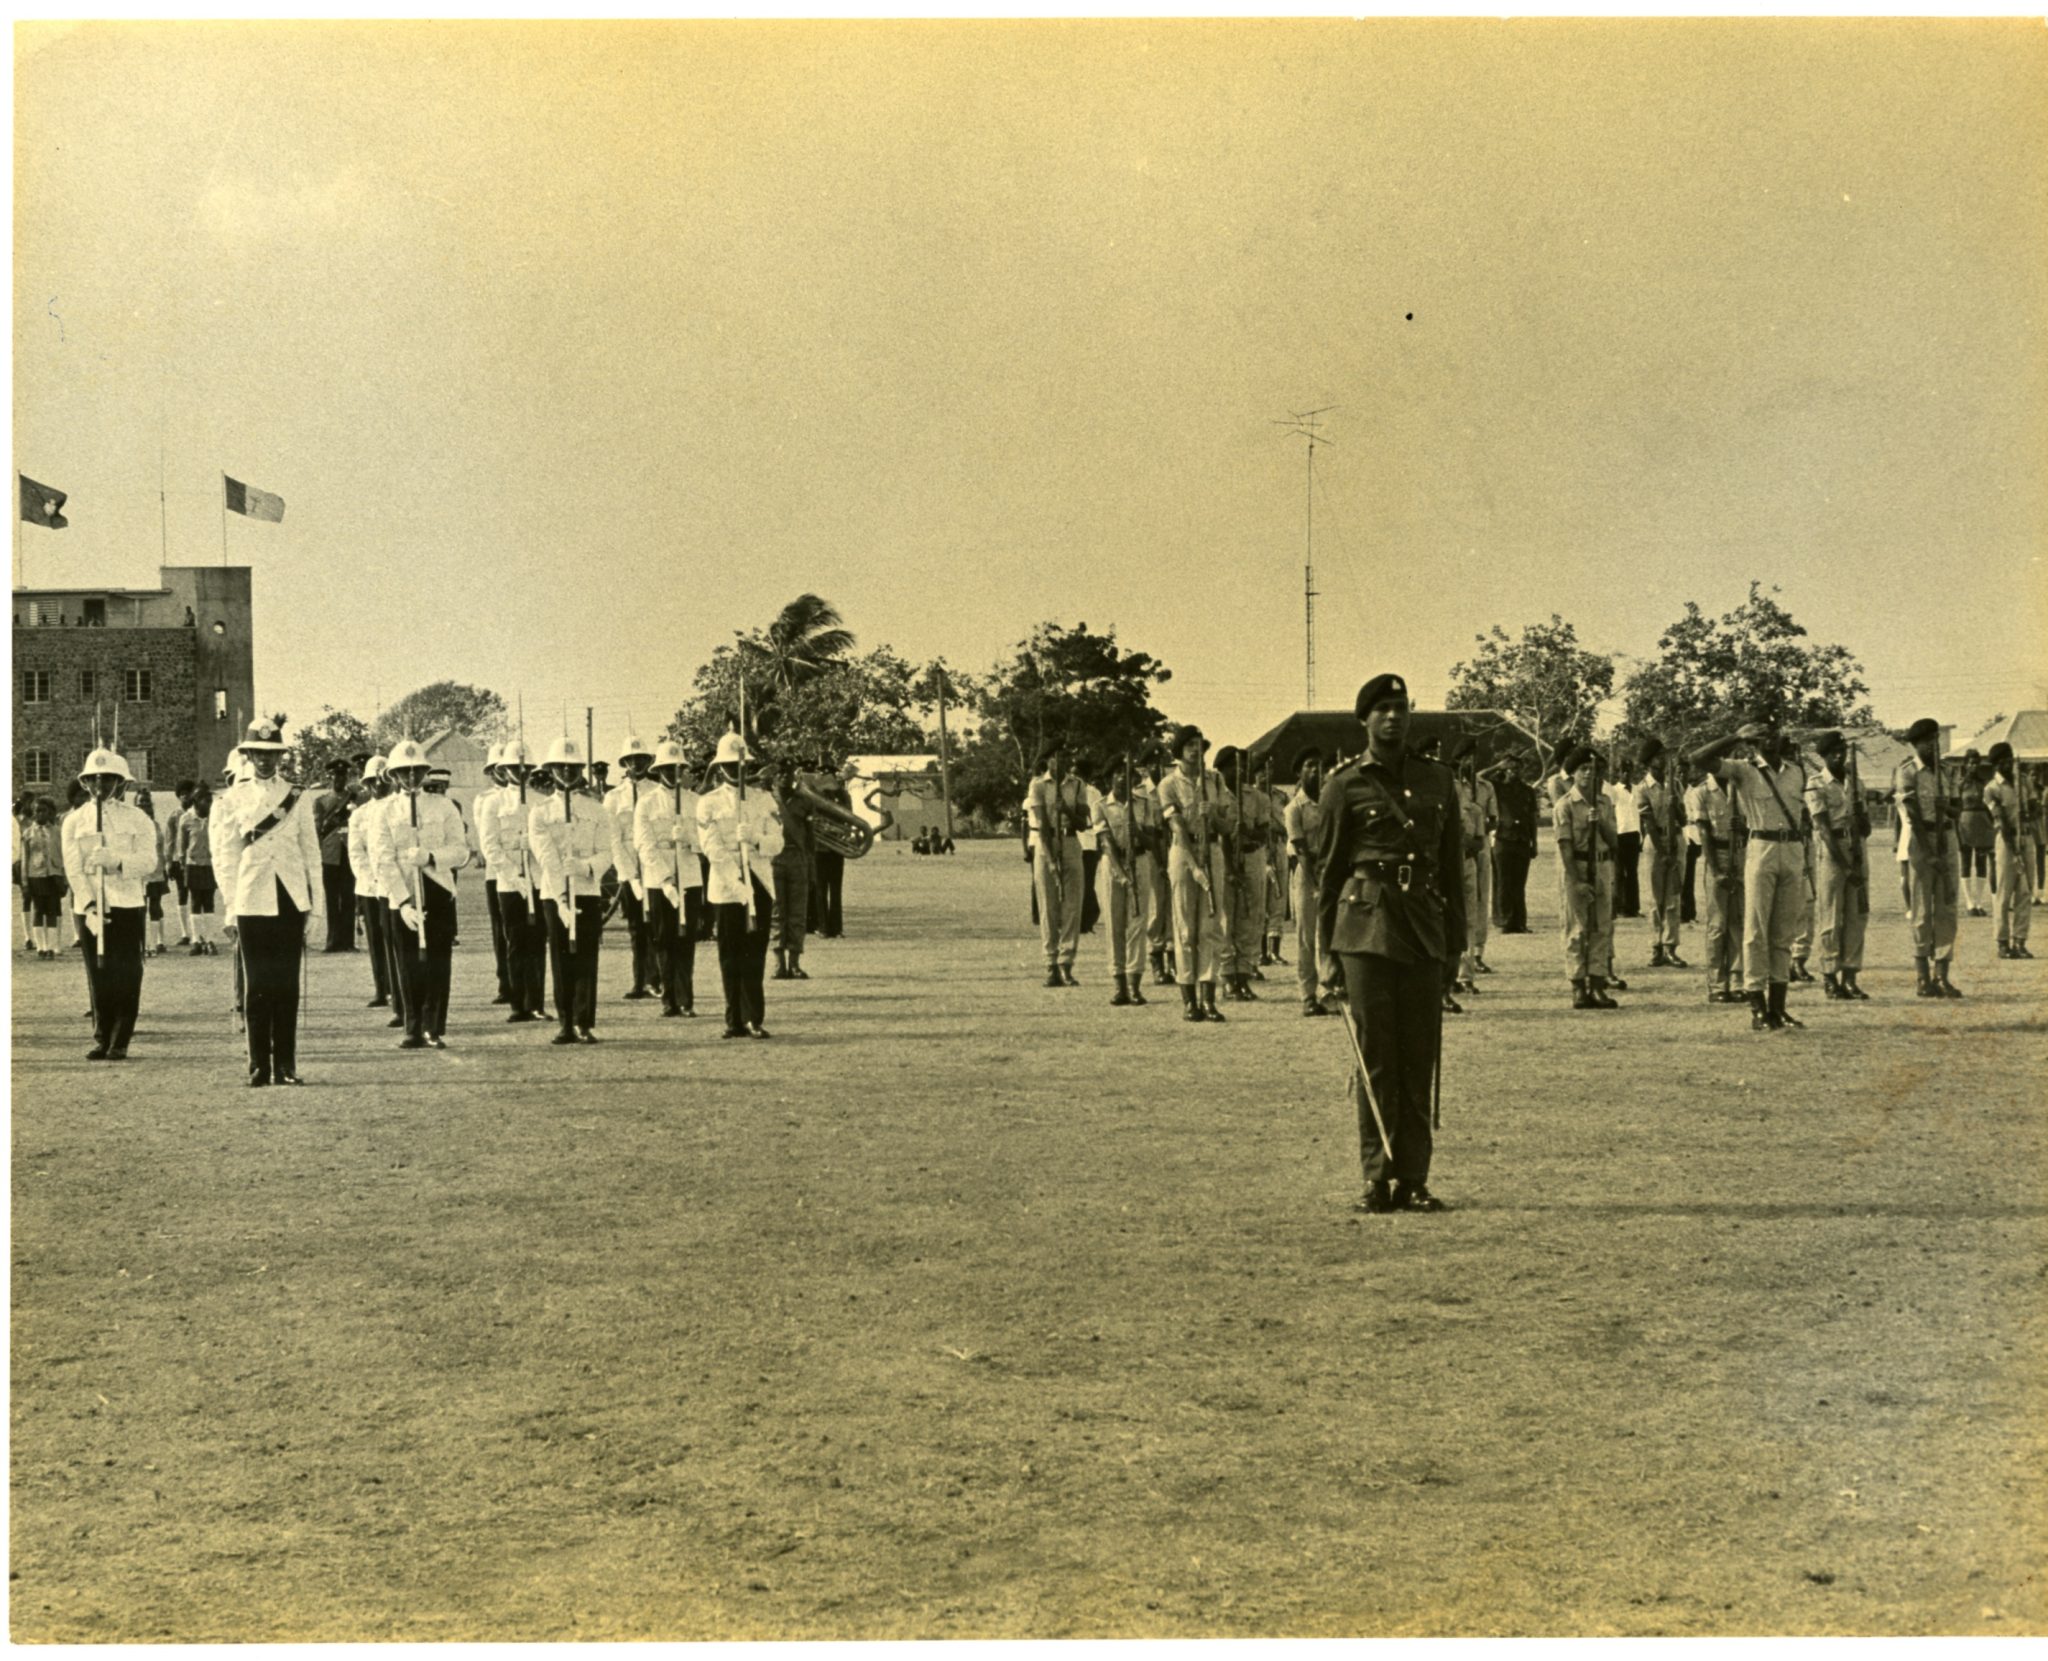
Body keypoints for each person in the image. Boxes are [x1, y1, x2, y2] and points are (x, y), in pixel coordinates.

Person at [1317, 674, 1464, 1213]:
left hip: (1424, 925)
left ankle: (1415, 1178)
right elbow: (1328, 876)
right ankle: (1377, 1178)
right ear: (1364, 719)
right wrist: (1325, 951)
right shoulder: (1343, 785)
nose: (1393, 717)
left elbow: (1451, 869)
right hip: (1364, 931)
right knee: (1377, 1056)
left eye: (1400, 707)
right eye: (1381, 708)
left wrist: (1455, 945)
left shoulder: (1438, 781)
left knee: (1418, 1058)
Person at [215, 718, 325, 1084]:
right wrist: (231, 907)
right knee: (257, 985)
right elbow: (225, 858)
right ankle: (260, 1065)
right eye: (258, 753)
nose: (265, 760)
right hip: (251, 899)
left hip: (290, 898)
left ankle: (286, 1066)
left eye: (272, 754)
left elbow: (311, 854)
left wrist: (315, 905)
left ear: (280, 757)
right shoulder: (231, 799)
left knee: (287, 986)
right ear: (247, 754)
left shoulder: (298, 796)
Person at [1690, 719, 1813, 1030]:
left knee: (1784, 932)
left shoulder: (1796, 772)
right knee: (1755, 930)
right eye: (1761, 735)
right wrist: (1734, 736)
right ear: (1753, 741)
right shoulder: (1743, 770)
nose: (1769, 740)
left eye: (1773, 733)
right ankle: (1757, 1006)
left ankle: (1779, 1007)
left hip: (1792, 849)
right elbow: (1698, 759)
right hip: (1760, 847)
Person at [373, 738, 469, 1049]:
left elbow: (461, 851)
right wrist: (401, 902)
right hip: (402, 893)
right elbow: (381, 858)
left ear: (425, 772)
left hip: (437, 888)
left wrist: (429, 857)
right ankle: (412, 1026)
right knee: (407, 961)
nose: (411, 777)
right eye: (404, 772)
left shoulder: (443, 806)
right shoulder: (385, 811)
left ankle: (433, 1027)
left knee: (438, 961)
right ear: (393, 775)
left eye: (417, 771)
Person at [64, 749, 155, 1061]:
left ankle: (121, 1039)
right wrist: (89, 905)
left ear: (121, 784)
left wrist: (116, 861)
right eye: (94, 780)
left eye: (109, 780)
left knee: (127, 972)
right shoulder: (74, 821)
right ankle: (102, 1036)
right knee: (98, 972)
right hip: (90, 906)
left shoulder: (138, 818)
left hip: (127, 902)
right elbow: (73, 868)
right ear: (86, 783)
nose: (101, 786)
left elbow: (149, 861)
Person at [698, 729, 782, 1039]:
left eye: (741, 766)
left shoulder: (763, 799)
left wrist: (756, 839)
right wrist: (735, 880)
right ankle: (733, 1018)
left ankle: (753, 1018)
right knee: (729, 953)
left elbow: (779, 842)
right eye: (730, 766)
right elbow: (711, 847)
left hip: (758, 881)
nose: (736, 771)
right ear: (720, 768)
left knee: (754, 954)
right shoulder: (708, 802)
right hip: (725, 884)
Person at [530, 736, 609, 1045]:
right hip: (554, 892)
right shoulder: (540, 811)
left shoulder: (596, 809)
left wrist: (587, 867)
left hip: (587, 889)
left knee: (586, 956)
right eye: (560, 766)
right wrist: (562, 892)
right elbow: (545, 854)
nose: (566, 771)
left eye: (572, 766)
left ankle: (583, 1022)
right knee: (561, 956)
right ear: (550, 769)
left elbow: (607, 851)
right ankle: (565, 1022)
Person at [1158, 725, 1235, 1022]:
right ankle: (1189, 1000)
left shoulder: (1214, 781)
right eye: (1189, 744)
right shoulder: (1168, 784)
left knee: (1210, 927)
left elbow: (1228, 825)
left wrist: (1212, 813)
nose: (1195, 750)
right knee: (1185, 928)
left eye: (1199, 744)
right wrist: (1194, 867)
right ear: (1179, 750)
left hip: (1212, 850)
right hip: (1184, 853)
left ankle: (1209, 999)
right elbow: (1176, 825)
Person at [478, 740, 548, 1022]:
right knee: (516, 942)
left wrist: (531, 844)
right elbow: (489, 845)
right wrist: (512, 874)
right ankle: (518, 1004)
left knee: (538, 942)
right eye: (513, 768)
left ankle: (537, 1003)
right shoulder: (493, 802)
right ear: (504, 770)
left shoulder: (541, 802)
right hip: (509, 882)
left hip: (540, 880)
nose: (519, 772)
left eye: (525, 768)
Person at [634, 738, 704, 1018]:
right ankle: (669, 999)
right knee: (663, 939)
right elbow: (643, 843)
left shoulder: (695, 801)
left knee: (685, 939)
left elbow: (705, 841)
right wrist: (664, 878)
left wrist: (688, 838)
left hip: (688, 874)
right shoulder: (647, 803)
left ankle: (686, 999)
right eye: (667, 768)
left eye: (677, 768)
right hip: (658, 877)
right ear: (658, 770)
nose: (672, 773)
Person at [1892, 717, 1961, 998]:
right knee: (1922, 910)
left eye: (1935, 741)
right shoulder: (1907, 772)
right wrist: (1930, 854)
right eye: (1927, 742)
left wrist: (1949, 808)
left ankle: (1942, 974)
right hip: (1922, 842)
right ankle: (1922, 977)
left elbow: (1959, 811)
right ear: (1915, 744)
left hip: (1948, 837)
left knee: (1947, 906)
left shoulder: (1946, 771)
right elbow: (1912, 816)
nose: (1933, 747)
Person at [1804, 730, 1871, 999]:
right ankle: (1830, 976)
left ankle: (1850, 976)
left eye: (1842, 752)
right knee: (1831, 915)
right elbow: (1822, 828)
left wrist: (1859, 815)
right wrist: (1845, 866)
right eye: (1833, 753)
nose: (1839, 756)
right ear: (1823, 756)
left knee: (1857, 916)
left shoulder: (1857, 783)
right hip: (1832, 852)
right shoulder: (1816, 784)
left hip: (1858, 848)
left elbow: (1866, 827)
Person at [1553, 745, 1619, 1009]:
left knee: (1602, 927)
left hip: (1602, 865)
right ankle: (1578, 986)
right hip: (1576, 867)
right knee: (1576, 929)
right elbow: (1565, 845)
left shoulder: (1604, 802)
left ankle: (1598, 983)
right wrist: (1576, 881)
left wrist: (1600, 821)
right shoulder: (1565, 805)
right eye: (1583, 769)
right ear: (1573, 774)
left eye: (1593, 769)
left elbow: (1614, 840)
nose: (1589, 774)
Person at [1027, 742, 1089, 987]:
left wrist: (1068, 812)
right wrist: (1050, 860)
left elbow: (1084, 822)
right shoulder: (1038, 785)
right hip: (1047, 843)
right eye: (1056, 757)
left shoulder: (1078, 785)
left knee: (1072, 907)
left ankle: (1066, 964)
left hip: (1071, 841)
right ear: (1049, 760)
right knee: (1049, 907)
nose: (1061, 761)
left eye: (1066, 756)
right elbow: (1041, 824)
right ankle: (1050, 963)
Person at [605, 736, 661, 1002]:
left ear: (649, 762)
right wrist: (627, 872)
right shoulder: (614, 797)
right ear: (624, 763)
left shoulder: (657, 792)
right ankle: (640, 980)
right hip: (629, 864)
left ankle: (657, 979)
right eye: (631, 760)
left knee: (657, 924)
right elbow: (613, 838)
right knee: (637, 926)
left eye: (641, 759)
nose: (636, 764)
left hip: (654, 863)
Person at [1215, 746, 1271, 1002]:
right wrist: (1228, 867)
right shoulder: (1217, 796)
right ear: (1222, 769)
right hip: (1225, 859)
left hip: (1252, 856)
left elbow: (1264, 832)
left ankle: (1244, 974)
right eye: (1234, 767)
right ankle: (1227, 976)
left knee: (1252, 916)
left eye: (1242, 767)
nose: (1239, 771)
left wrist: (1246, 830)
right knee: (1227, 917)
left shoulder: (1258, 798)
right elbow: (1217, 832)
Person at [1092, 761, 1151, 1006]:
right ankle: (1119, 986)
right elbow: (1105, 841)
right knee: (1115, 924)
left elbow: (1152, 839)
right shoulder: (1101, 806)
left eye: (1127, 775)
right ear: (1110, 779)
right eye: (1117, 774)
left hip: (1139, 861)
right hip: (1113, 865)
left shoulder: (1144, 804)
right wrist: (1121, 875)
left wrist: (1136, 830)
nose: (1122, 780)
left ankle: (1134, 984)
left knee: (1137, 924)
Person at [1633, 737, 1688, 969]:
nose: (1664, 761)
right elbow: (1647, 822)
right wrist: (1663, 850)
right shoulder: (1642, 788)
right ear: (1649, 761)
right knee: (1656, 898)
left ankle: (1670, 946)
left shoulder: (1674, 784)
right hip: (1656, 843)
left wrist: (1676, 805)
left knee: (1674, 896)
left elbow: (1684, 819)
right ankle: (1655, 945)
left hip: (1676, 837)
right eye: (1659, 757)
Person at [1693, 762, 1746, 1002]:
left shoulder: (1741, 788)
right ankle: (1717, 985)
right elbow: (1704, 833)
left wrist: (1743, 828)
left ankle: (1737, 980)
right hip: (1717, 855)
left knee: (1738, 923)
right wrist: (1716, 871)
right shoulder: (1702, 792)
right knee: (1717, 925)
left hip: (1741, 855)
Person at [1285, 750, 1331, 1015]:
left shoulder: (1329, 802)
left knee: (1327, 934)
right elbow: (1300, 848)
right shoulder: (1294, 808)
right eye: (1309, 766)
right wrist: (1315, 882)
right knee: (1305, 935)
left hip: (1328, 869)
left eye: (1319, 766)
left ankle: (1327, 990)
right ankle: (1307, 995)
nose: (1315, 771)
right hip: (1306, 872)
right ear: (1299, 773)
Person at [1984, 742, 2035, 958]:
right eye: (2003, 760)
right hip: (2006, 841)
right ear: (1995, 764)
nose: (2007, 763)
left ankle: (2020, 942)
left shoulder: (2024, 781)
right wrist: (2013, 850)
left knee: (2025, 892)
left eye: (2009, 758)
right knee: (2004, 894)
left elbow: (2035, 808)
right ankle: (2002, 942)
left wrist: (2029, 812)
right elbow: (2000, 821)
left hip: (2027, 838)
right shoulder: (1991, 788)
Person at [769, 760, 814, 980]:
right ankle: (779, 964)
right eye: (781, 773)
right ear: (774, 777)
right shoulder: (767, 800)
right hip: (774, 858)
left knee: (797, 912)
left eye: (789, 773)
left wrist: (811, 865)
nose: (785, 777)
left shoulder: (805, 801)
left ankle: (795, 963)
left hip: (797, 858)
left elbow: (810, 836)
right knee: (777, 912)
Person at [1137, 747, 1175, 985]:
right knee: (1157, 906)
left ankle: (1174, 959)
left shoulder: (1172, 787)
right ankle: (1156, 959)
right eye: (1152, 763)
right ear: (1145, 768)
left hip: (1175, 844)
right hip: (1153, 848)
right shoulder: (1141, 793)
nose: (1157, 767)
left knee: (1174, 906)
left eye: (1161, 762)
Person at [1488, 754, 1537, 934]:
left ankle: (1519, 922)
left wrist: (1535, 843)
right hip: (1503, 839)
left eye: (1518, 769)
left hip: (1522, 840)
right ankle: (1504, 920)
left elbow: (1532, 818)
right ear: (1505, 770)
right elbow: (1477, 778)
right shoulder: (1497, 788)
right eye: (1511, 769)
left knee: (1519, 883)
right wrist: (1496, 767)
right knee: (1503, 882)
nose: (1515, 772)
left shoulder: (1527, 791)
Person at [313, 757, 358, 952]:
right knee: (331, 899)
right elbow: (317, 829)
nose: (339, 780)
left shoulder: (356, 798)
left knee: (348, 898)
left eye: (343, 776)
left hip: (350, 852)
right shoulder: (321, 801)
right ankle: (332, 941)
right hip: (330, 855)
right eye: (335, 776)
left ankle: (348, 942)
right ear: (329, 777)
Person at [176, 784, 221, 955]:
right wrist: (181, 861)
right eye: (205, 800)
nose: (209, 804)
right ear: (195, 801)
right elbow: (182, 845)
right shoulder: (186, 819)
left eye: (210, 800)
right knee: (195, 901)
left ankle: (209, 940)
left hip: (210, 864)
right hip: (192, 864)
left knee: (209, 901)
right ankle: (196, 940)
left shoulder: (215, 818)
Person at [22, 796, 66, 958]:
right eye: (37, 811)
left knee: (52, 910)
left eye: (43, 811)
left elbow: (63, 856)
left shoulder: (57, 832)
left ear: (50, 813)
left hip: (53, 875)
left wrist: (64, 877)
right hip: (36, 876)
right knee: (39, 910)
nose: (40, 814)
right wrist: (25, 882)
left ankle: (52, 947)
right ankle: (41, 947)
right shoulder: (28, 834)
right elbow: (25, 859)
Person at [1955, 751, 1995, 916]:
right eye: (1970, 763)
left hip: (1983, 823)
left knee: (1981, 863)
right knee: (1965, 862)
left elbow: (1989, 806)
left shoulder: (1983, 784)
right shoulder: (1960, 784)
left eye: (1976, 763)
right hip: (1965, 823)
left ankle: (1978, 903)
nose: (1973, 766)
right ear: (1965, 764)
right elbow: (1956, 807)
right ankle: (1969, 903)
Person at [1606, 758, 1643, 917]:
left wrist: (1642, 835)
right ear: (1618, 773)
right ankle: (1618, 907)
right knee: (1618, 872)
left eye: (1629, 771)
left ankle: (1633, 907)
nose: (1626, 774)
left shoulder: (1637, 789)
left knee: (1633, 872)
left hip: (1634, 833)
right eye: (1623, 771)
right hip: (1619, 834)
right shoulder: (1613, 791)